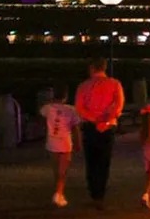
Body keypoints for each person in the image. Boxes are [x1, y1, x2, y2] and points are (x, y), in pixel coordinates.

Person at [75, 58, 125, 210]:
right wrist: (106, 118)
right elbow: (118, 105)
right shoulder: (115, 84)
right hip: (108, 126)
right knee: (104, 161)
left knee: (91, 161)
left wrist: (94, 119)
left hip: (90, 126)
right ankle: (100, 194)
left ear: (92, 68)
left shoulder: (84, 86)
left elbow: (79, 107)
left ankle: (94, 192)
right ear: (104, 68)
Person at [39, 85, 81, 207]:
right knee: (63, 170)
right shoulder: (71, 110)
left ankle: (58, 192)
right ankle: (59, 193)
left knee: (56, 170)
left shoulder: (47, 108)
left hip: (52, 141)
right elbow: (75, 128)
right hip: (65, 142)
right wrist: (78, 143)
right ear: (66, 96)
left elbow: (41, 117)